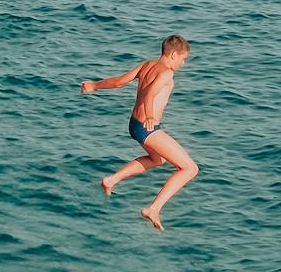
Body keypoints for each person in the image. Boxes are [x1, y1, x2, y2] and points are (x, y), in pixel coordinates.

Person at [81, 35, 197, 232]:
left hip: (134, 125)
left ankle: (112, 179)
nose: (183, 63)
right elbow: (151, 94)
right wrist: (151, 116)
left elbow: (119, 82)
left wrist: (94, 85)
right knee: (190, 169)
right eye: (183, 59)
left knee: (158, 159)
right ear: (174, 54)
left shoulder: (146, 65)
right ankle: (154, 208)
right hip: (147, 127)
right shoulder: (167, 73)